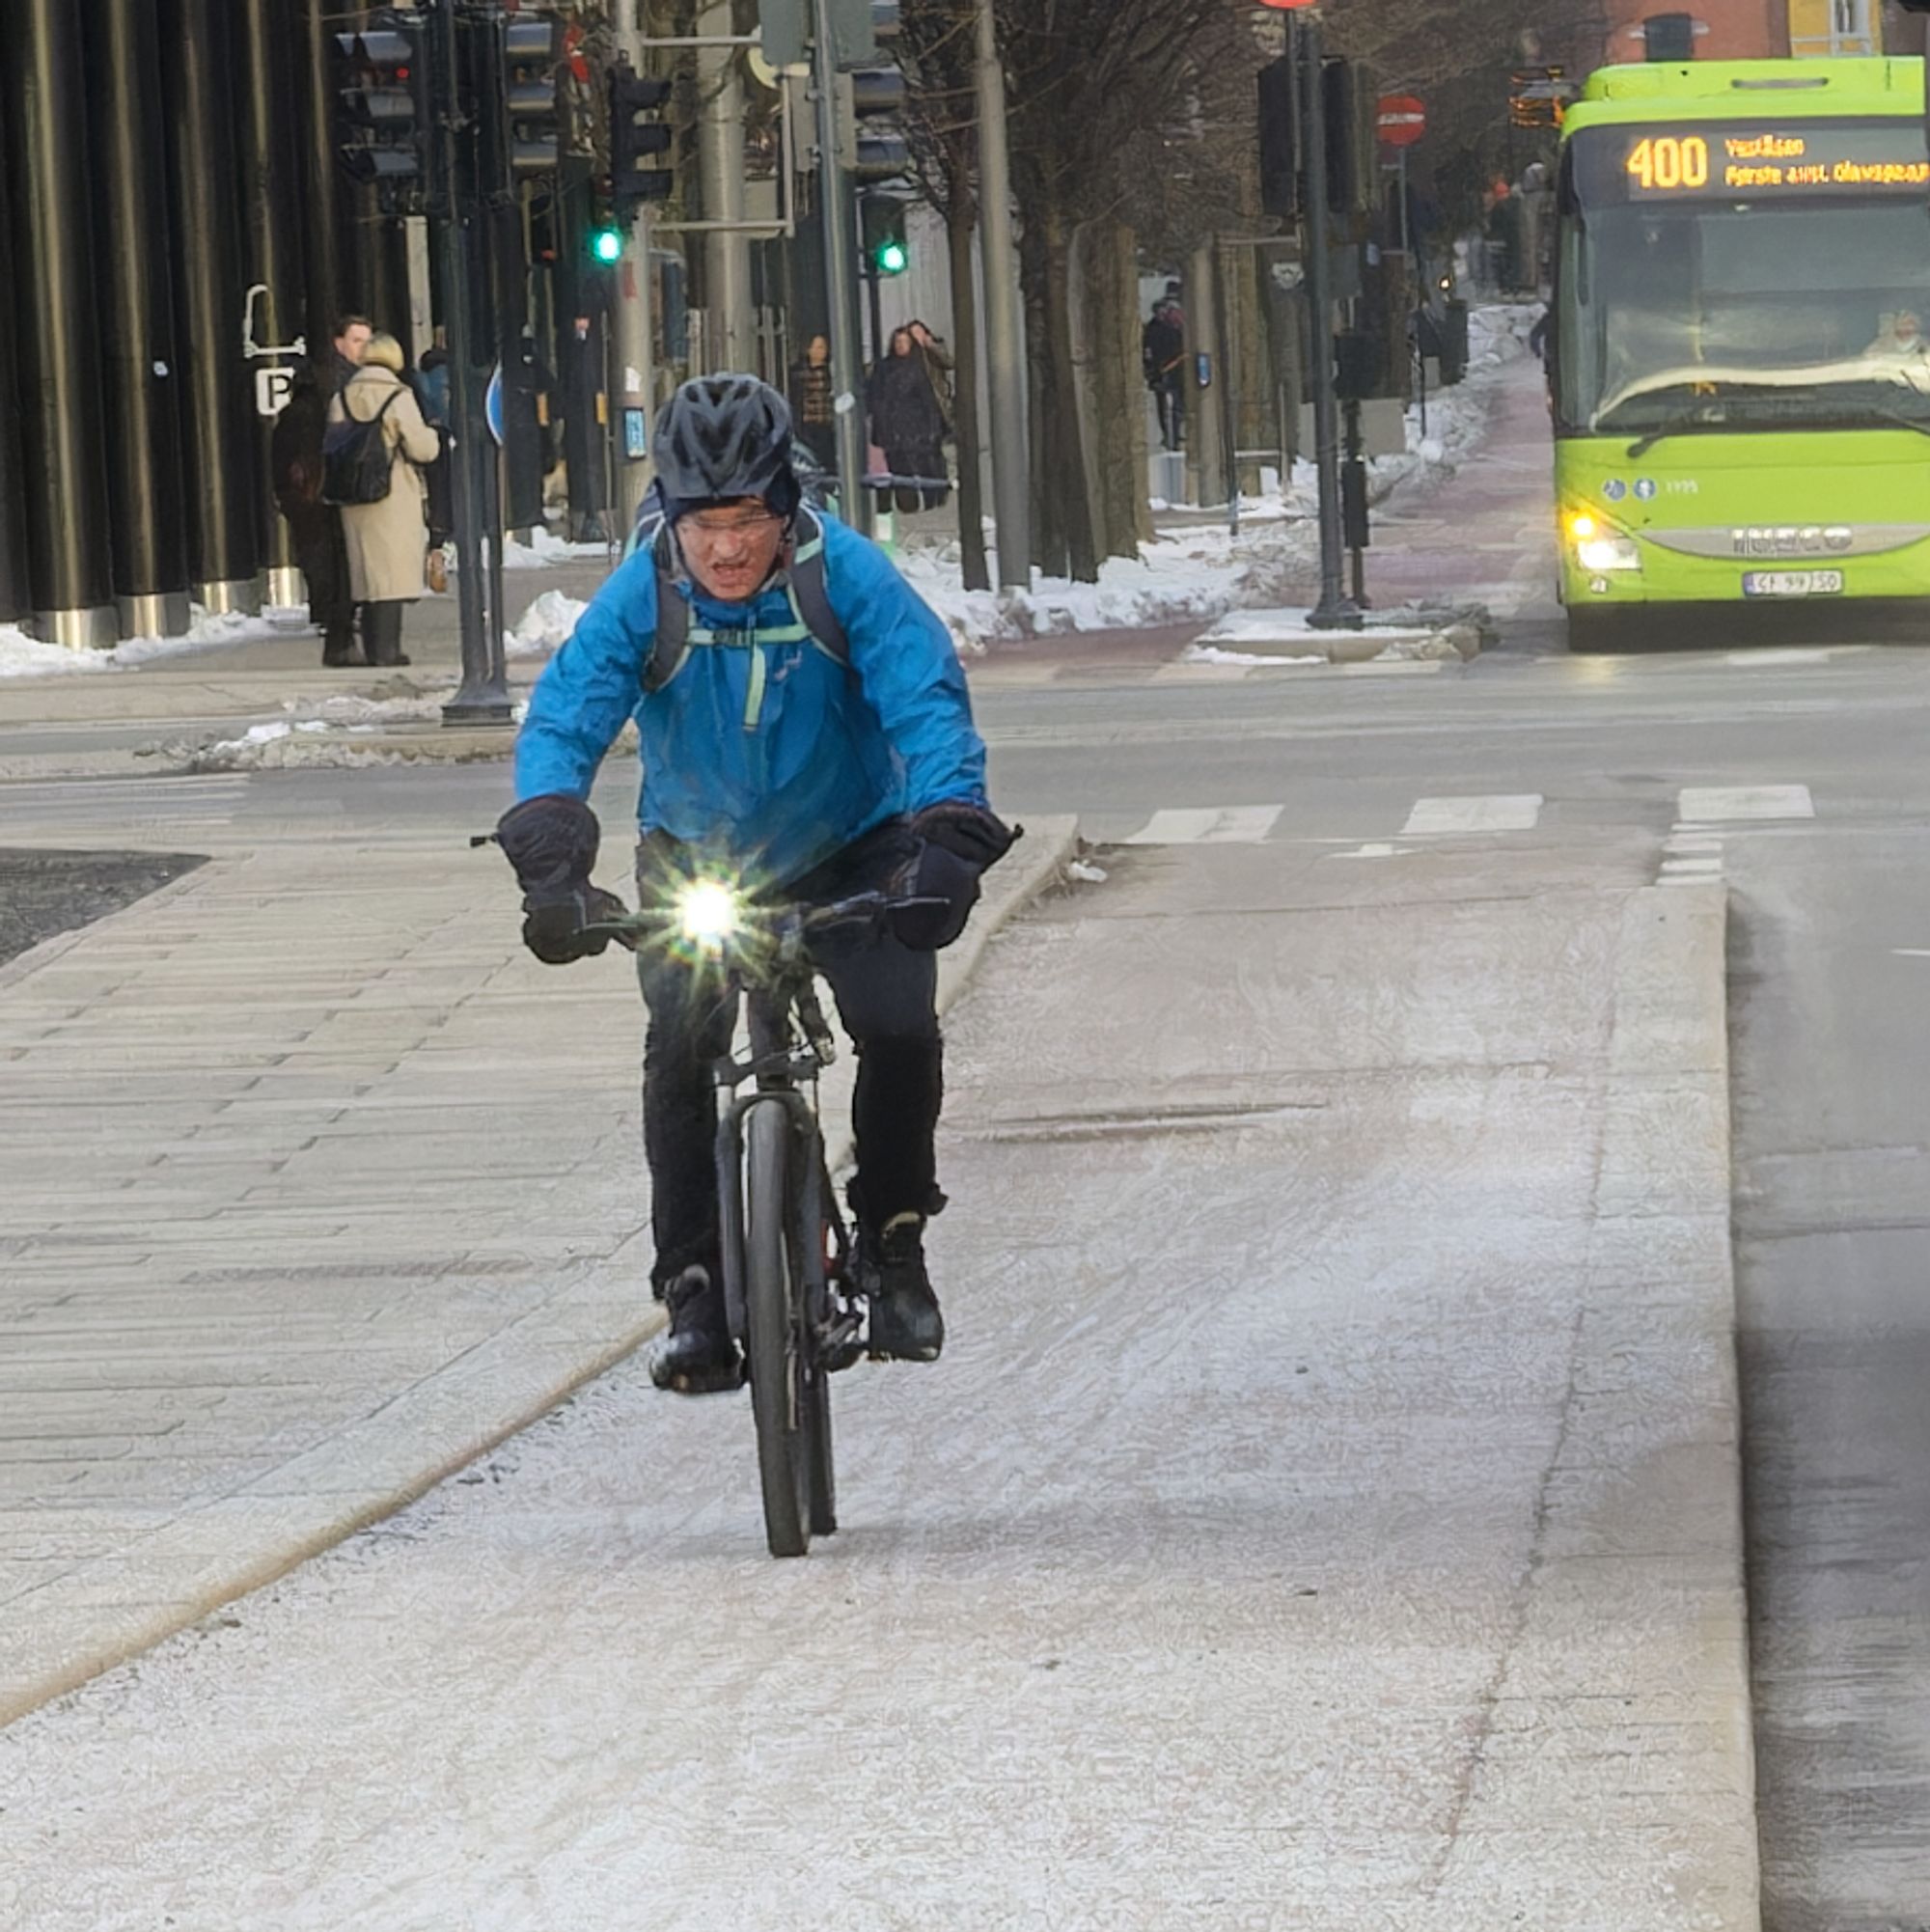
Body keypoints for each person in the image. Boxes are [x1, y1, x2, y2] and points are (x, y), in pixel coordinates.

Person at [496, 374, 1015, 1395]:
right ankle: (693, 1289)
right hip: (697, 852)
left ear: (787, 508)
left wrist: (947, 835)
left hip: (851, 843)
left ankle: (894, 1240)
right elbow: (566, 716)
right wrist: (553, 846)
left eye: (747, 522)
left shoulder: (844, 576)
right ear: (669, 517)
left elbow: (924, 698)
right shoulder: (643, 593)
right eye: (703, 525)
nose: (726, 549)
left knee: (899, 1025)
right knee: (680, 1042)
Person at [328, 332, 441, 668]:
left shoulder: (342, 397)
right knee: (391, 575)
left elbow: (333, 446)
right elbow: (423, 448)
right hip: (391, 494)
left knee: (367, 573)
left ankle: (372, 646)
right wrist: (434, 435)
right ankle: (387, 650)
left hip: (353, 494)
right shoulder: (398, 396)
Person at [270, 313, 372, 666]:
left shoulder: (304, 404)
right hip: (329, 486)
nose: (363, 348)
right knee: (337, 560)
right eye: (357, 340)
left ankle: (330, 621)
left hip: (311, 490)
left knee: (323, 558)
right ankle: (338, 627)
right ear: (339, 342)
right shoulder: (344, 390)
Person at [867, 327, 949, 513]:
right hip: (890, 429)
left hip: (914, 428)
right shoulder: (883, 368)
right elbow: (874, 396)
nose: (900, 346)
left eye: (904, 342)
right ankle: (907, 505)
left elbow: (927, 400)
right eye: (897, 342)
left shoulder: (917, 369)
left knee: (922, 466)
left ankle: (931, 503)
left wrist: (932, 428)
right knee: (899, 469)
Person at [1143, 295, 1187, 454]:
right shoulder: (1152, 330)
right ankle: (1170, 436)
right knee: (1166, 406)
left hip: (1177, 373)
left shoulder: (1176, 329)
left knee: (1178, 405)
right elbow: (1148, 353)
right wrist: (1152, 372)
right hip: (1162, 373)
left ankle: (1174, 434)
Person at [791, 332, 837, 472]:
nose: (819, 351)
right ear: (809, 349)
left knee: (828, 463)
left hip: (827, 424)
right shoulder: (797, 372)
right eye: (816, 347)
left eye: (822, 347)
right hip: (807, 425)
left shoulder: (832, 372)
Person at [907, 320, 955, 432]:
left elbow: (949, 362)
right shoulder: (910, 354)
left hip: (937, 397)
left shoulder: (933, 349)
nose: (917, 336)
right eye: (914, 333)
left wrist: (931, 346)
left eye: (919, 332)